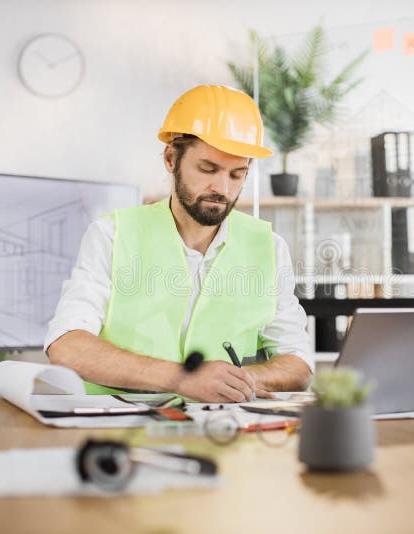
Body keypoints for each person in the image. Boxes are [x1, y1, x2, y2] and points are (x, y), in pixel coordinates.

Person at [45, 85, 313, 403]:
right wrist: (181, 379)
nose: (222, 188)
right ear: (172, 159)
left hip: (220, 427)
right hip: (116, 428)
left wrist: (234, 382)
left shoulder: (268, 247)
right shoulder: (112, 234)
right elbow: (67, 344)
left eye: (236, 174)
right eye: (207, 169)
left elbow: (299, 363)